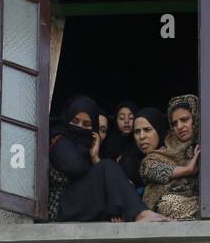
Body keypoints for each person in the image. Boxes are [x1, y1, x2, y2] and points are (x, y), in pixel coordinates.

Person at [49, 94, 165, 223]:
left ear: (93, 128)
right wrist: (94, 162)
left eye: (86, 124)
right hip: (60, 207)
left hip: (80, 204)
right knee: (106, 166)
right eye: (75, 122)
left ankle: (132, 213)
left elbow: (94, 181)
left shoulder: (90, 148)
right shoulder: (59, 140)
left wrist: (94, 156)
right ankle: (140, 213)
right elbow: (75, 167)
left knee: (106, 166)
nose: (80, 127)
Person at [141, 94, 200, 220]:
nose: (179, 127)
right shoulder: (166, 150)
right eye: (174, 123)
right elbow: (148, 168)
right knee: (167, 204)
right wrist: (187, 170)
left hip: (199, 204)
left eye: (184, 120)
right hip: (168, 204)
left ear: (195, 118)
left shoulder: (205, 145)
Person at [119, 106, 166, 189]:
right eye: (137, 131)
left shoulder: (175, 155)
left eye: (147, 130)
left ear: (159, 130)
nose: (141, 136)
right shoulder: (128, 162)